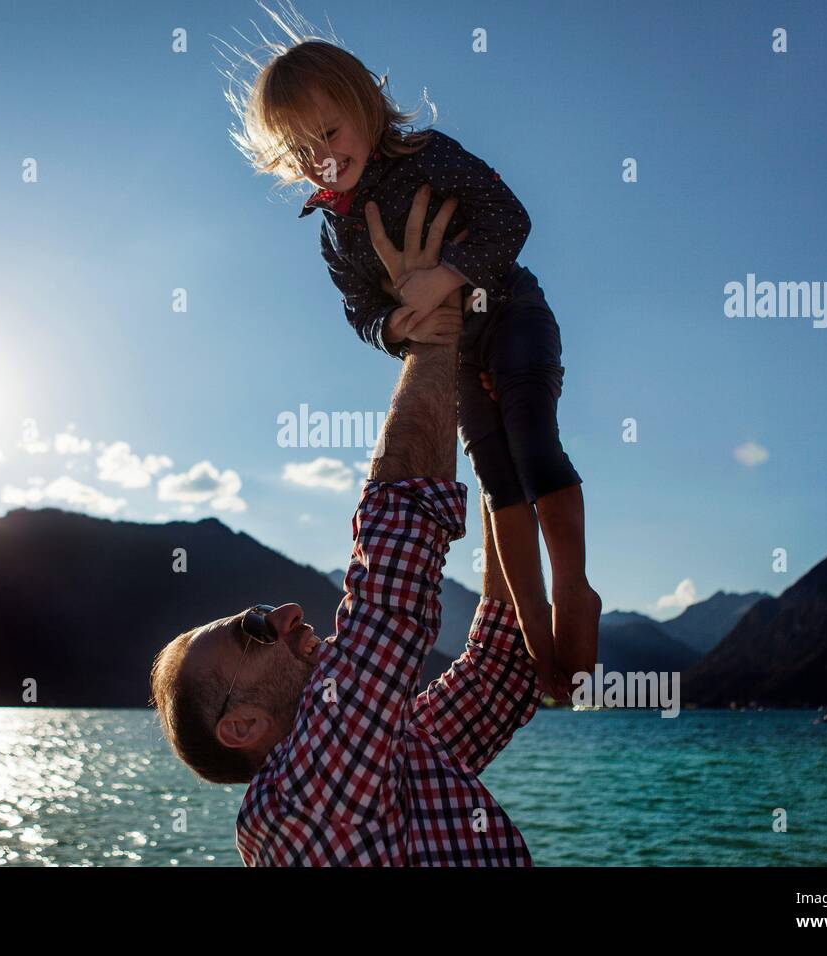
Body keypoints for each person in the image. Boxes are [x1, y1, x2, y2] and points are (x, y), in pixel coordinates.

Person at [150, 188, 559, 865]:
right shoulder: (294, 811)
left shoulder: (380, 758)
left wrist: (497, 460)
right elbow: (386, 608)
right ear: (242, 725)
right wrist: (435, 335)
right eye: (252, 629)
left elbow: (498, 674)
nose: (282, 611)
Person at [225, 25, 601, 691]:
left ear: (368, 108)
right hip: (455, 353)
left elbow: (510, 218)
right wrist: (396, 323)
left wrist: (445, 275)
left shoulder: (428, 157)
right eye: (304, 152)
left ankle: (573, 589)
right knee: (495, 477)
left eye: (333, 135)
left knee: (533, 441)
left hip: (511, 311)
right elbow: (359, 311)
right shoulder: (335, 231)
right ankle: (533, 629)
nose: (325, 159)